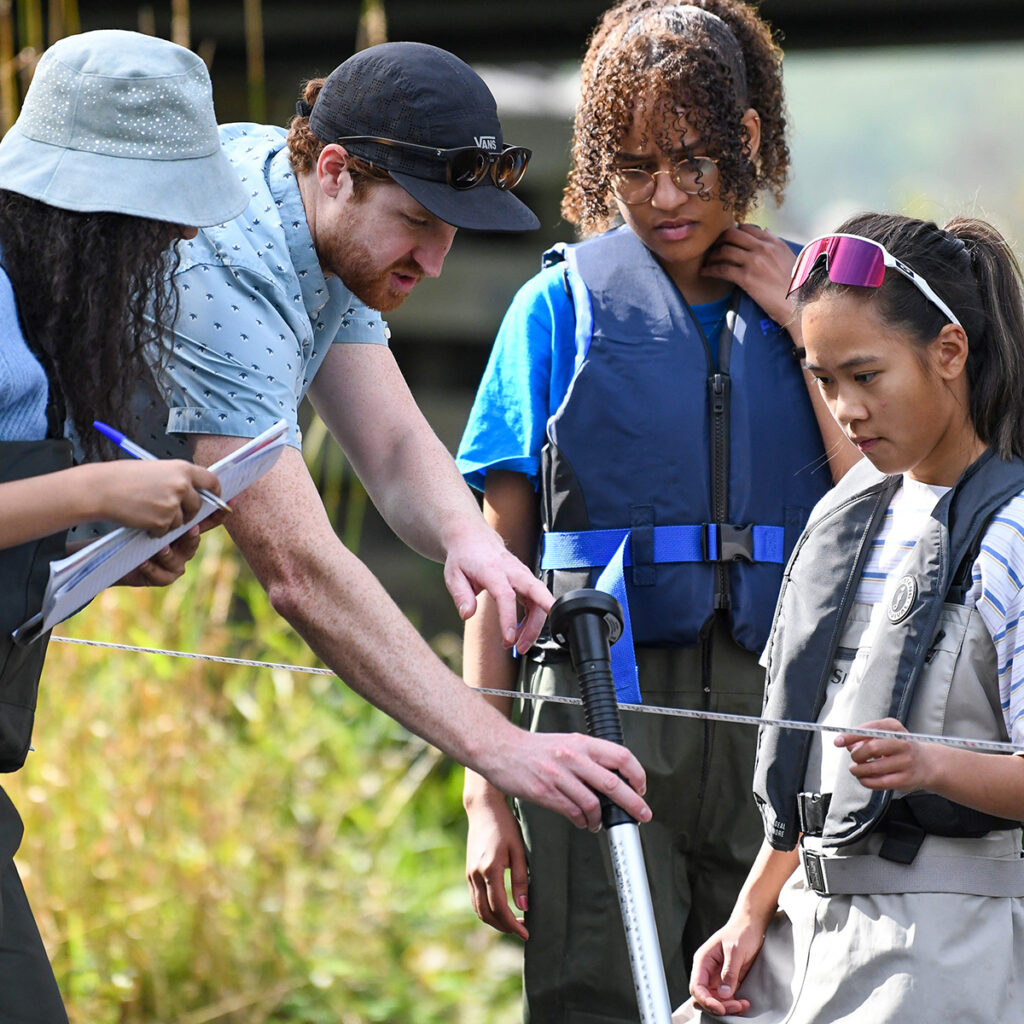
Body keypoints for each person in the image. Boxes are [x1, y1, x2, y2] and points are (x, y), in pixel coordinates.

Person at [129, 40, 652, 831]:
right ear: (335, 170)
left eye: (451, 231)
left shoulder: (317, 213)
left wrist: (467, 540)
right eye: (416, 222)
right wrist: (499, 748)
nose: (434, 263)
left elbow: (396, 445)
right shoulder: (227, 265)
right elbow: (300, 570)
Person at [455, 1, 856, 1019]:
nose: (665, 196)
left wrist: (805, 329)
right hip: (600, 711)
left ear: (746, 140)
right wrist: (482, 785)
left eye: (692, 162)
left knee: (776, 996)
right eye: (634, 168)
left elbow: (883, 507)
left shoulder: (827, 306)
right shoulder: (553, 309)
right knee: (601, 994)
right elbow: (495, 566)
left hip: (779, 721)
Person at [681, 213, 1024, 1024]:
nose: (845, 410)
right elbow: (815, 774)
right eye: (826, 380)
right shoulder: (848, 510)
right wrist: (752, 909)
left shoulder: (1013, 535)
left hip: (948, 947)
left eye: (866, 375)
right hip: (803, 925)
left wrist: (931, 765)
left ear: (950, 352)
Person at [0, 30, 250, 1019]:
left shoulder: (35, 304)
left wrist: (100, 550)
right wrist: (95, 494)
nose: (177, 240)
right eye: (159, 218)